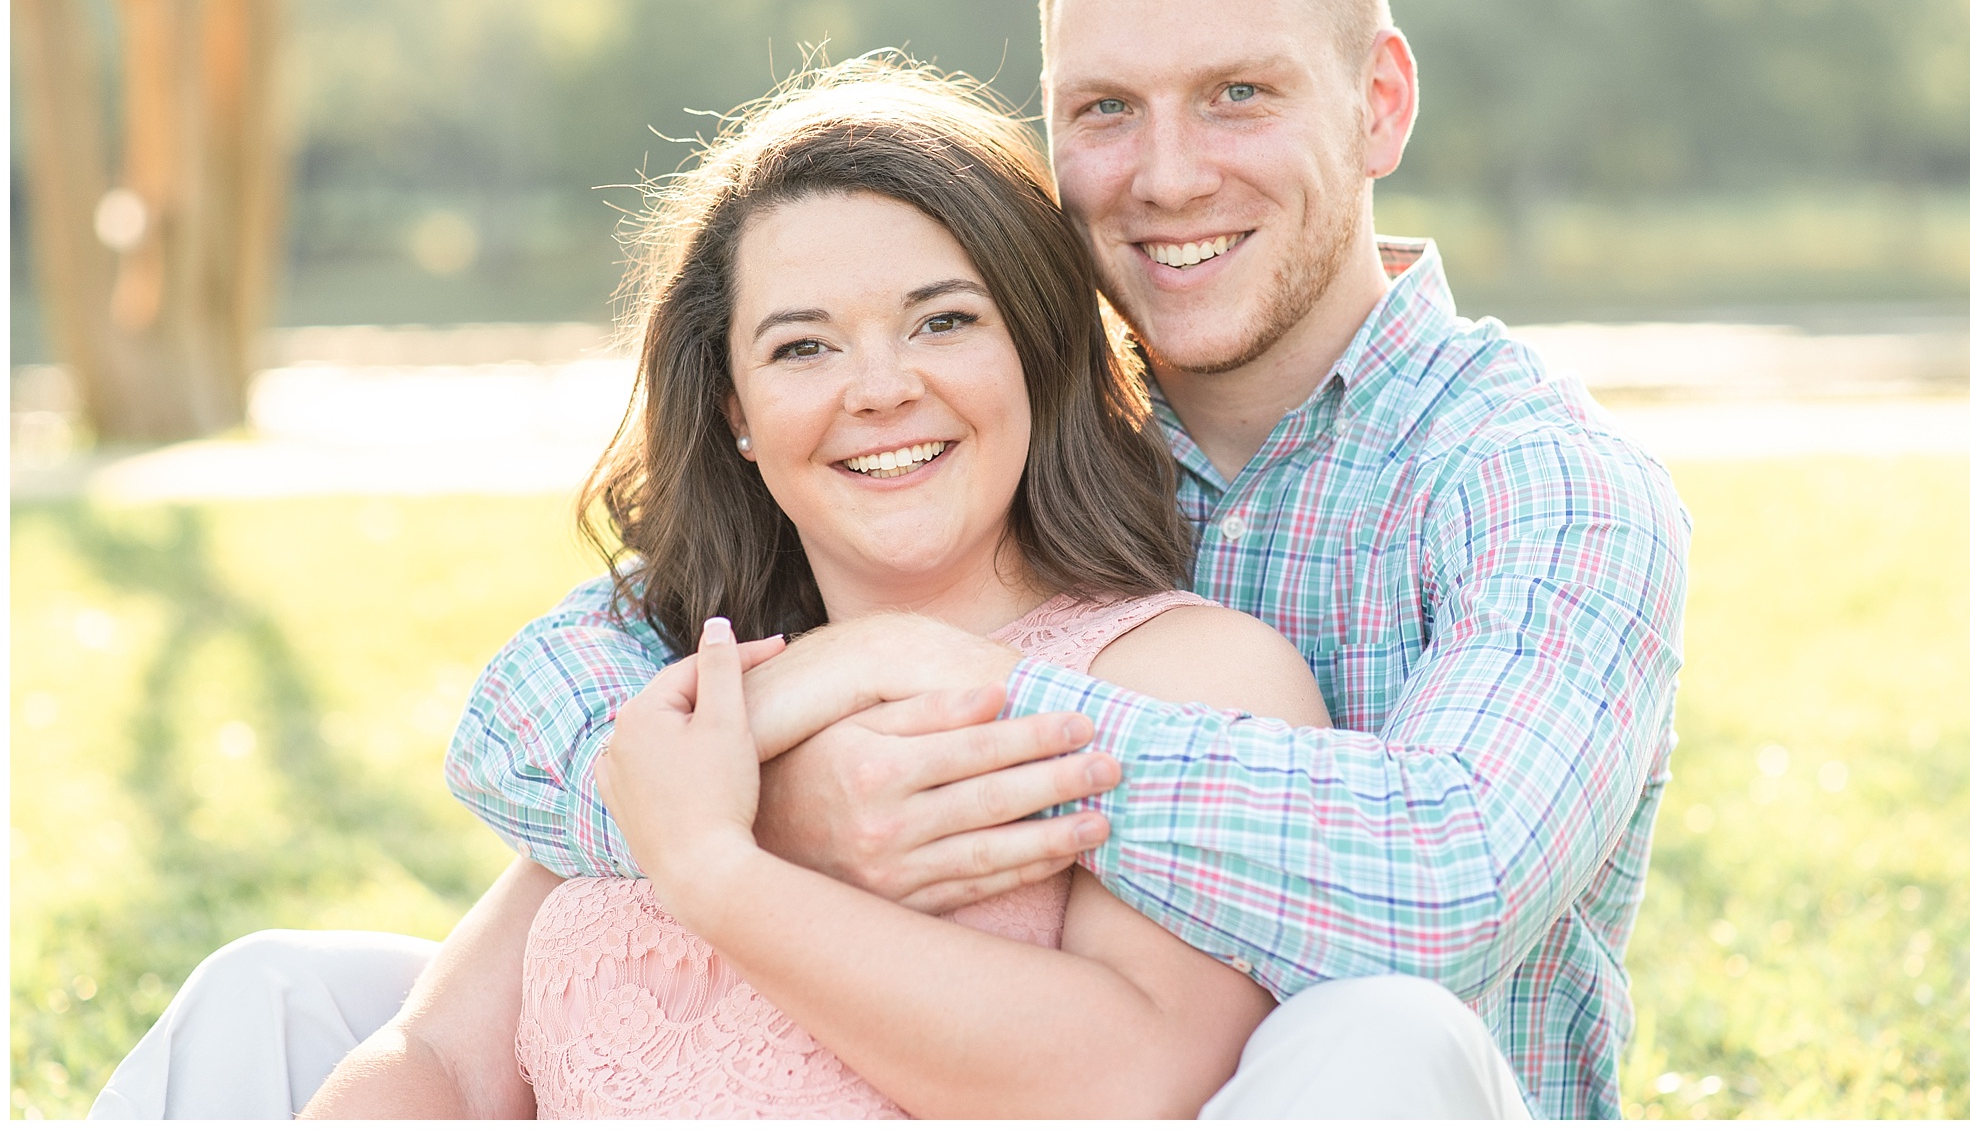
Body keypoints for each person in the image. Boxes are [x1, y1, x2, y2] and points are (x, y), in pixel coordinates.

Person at [93, 0, 1686, 1120]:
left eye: (1241, 94)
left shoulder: (1536, 483)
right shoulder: (1013, 438)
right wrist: (782, 784)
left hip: (1357, 1094)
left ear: (1380, 101)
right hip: (806, 1025)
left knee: (1378, 1033)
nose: (1171, 170)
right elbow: (531, 712)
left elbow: (1451, 873)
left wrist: (953, 722)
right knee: (279, 996)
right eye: (1105, 113)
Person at [300, 55, 1354, 1117]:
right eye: (803, 346)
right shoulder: (689, 689)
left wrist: (717, 871)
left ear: (1036, 354)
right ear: (736, 414)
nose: (882, 389)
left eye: (943, 321)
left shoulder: (1183, 673)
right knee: (262, 986)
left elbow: (1134, 1076)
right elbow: (436, 1061)